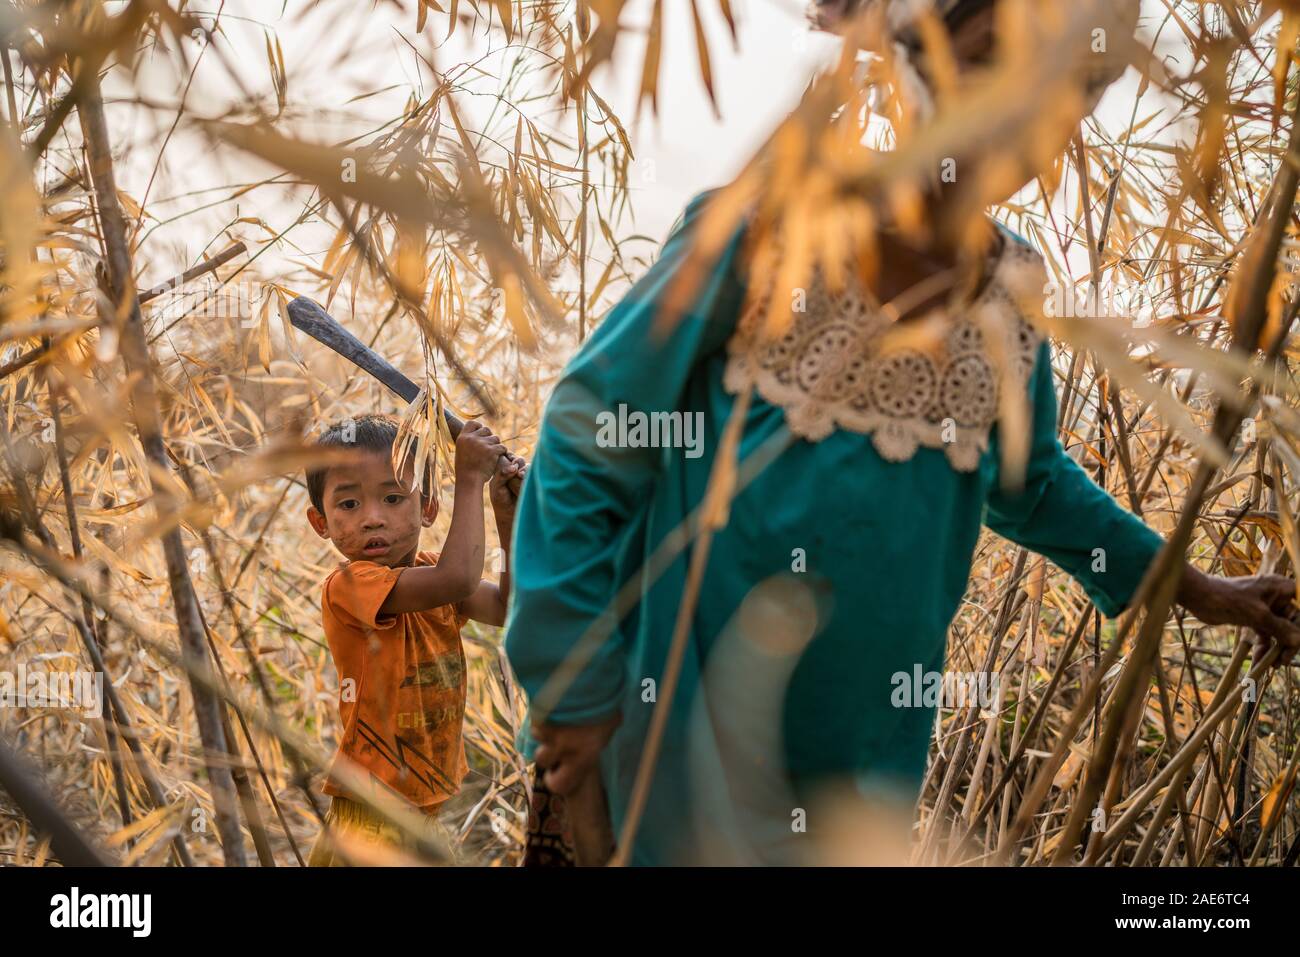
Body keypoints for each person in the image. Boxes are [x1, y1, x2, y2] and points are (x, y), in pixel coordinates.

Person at [504, 0, 1300, 865]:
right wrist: (572, 680)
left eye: (1071, 80)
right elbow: (593, 435)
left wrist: (1199, 587)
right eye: (990, 56)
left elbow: (1032, 488)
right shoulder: (768, 227)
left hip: (862, 765)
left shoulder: (1011, 295)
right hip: (673, 738)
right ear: (909, 50)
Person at [302, 413, 524, 865]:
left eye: (393, 497)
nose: (372, 519)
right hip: (375, 811)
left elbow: (508, 606)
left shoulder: (428, 572)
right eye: (348, 505)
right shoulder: (349, 585)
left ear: (428, 507)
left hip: (419, 807)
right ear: (320, 521)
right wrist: (470, 480)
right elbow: (459, 578)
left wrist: (507, 515)